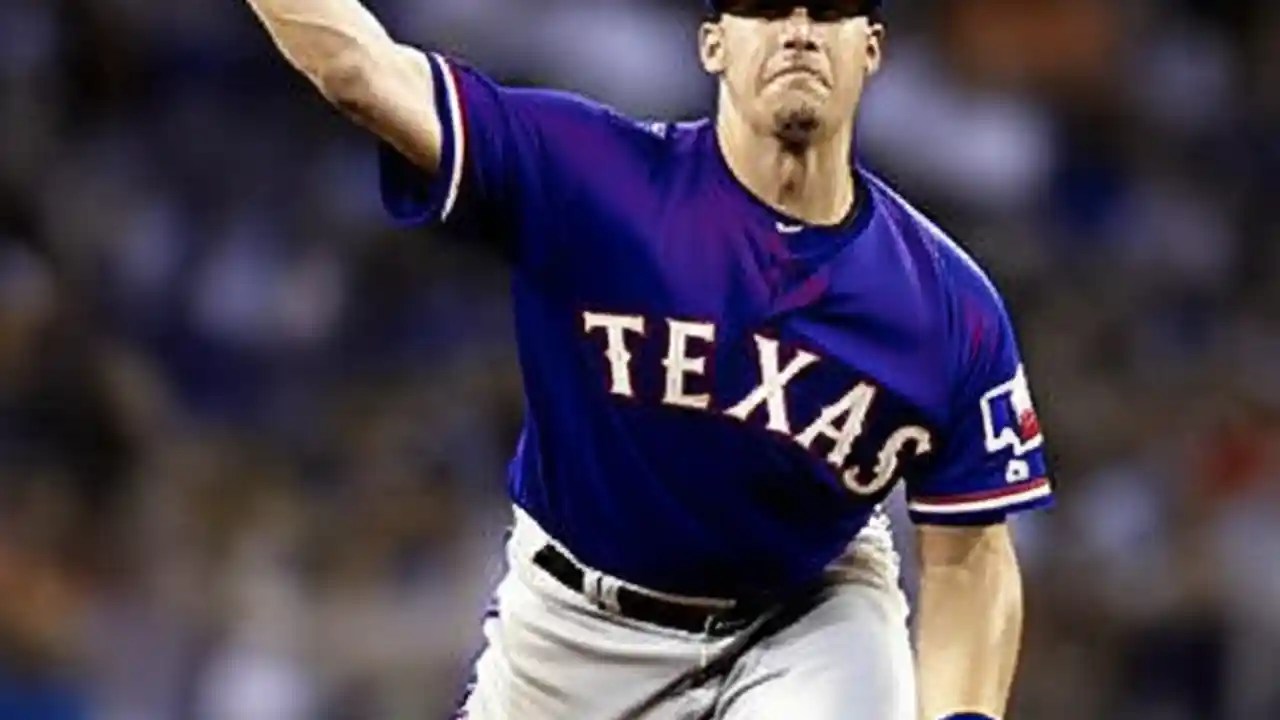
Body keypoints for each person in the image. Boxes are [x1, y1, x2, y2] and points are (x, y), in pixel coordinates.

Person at [242, 0, 1055, 717]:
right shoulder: (594, 178)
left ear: (871, 50)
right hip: (574, 630)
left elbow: (971, 555)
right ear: (713, 45)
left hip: (807, 616)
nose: (800, 33)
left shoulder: (945, 304)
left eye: (829, 11)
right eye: (766, 8)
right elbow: (355, 68)